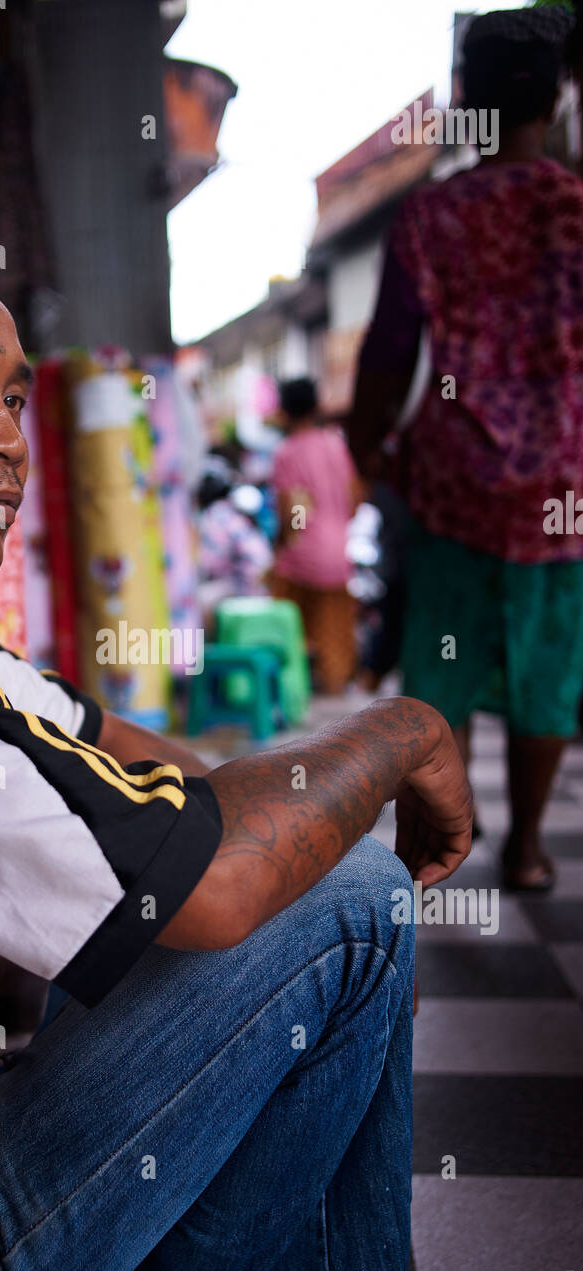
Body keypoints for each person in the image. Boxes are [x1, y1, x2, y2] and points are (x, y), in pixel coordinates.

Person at [0, 242, 471, 1271]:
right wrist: (403, 733)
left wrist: (266, 837)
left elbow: (129, 750)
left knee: (311, 894)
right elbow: (210, 891)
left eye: (14, 396)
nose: (6, 438)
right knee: (346, 904)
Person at [349, 5, 583, 891]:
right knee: (546, 667)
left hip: (453, 479)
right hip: (564, 487)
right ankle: (524, 847)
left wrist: (365, 443)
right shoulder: (574, 208)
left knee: (441, 665)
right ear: (553, 97)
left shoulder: (431, 213)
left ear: (464, 97)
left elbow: (387, 350)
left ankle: (430, 849)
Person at [270, 378, 361, 694]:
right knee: (335, 632)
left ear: (284, 411)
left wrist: (282, 544)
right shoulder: (336, 444)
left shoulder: (288, 452)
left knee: (286, 624)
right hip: (340, 553)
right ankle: (335, 680)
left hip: (304, 557)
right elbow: (354, 498)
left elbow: (292, 511)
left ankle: (289, 685)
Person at [195, 468, 273, 623]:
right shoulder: (251, 531)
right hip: (251, 592)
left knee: (198, 599)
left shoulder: (227, 519)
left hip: (245, 594)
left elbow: (207, 561)